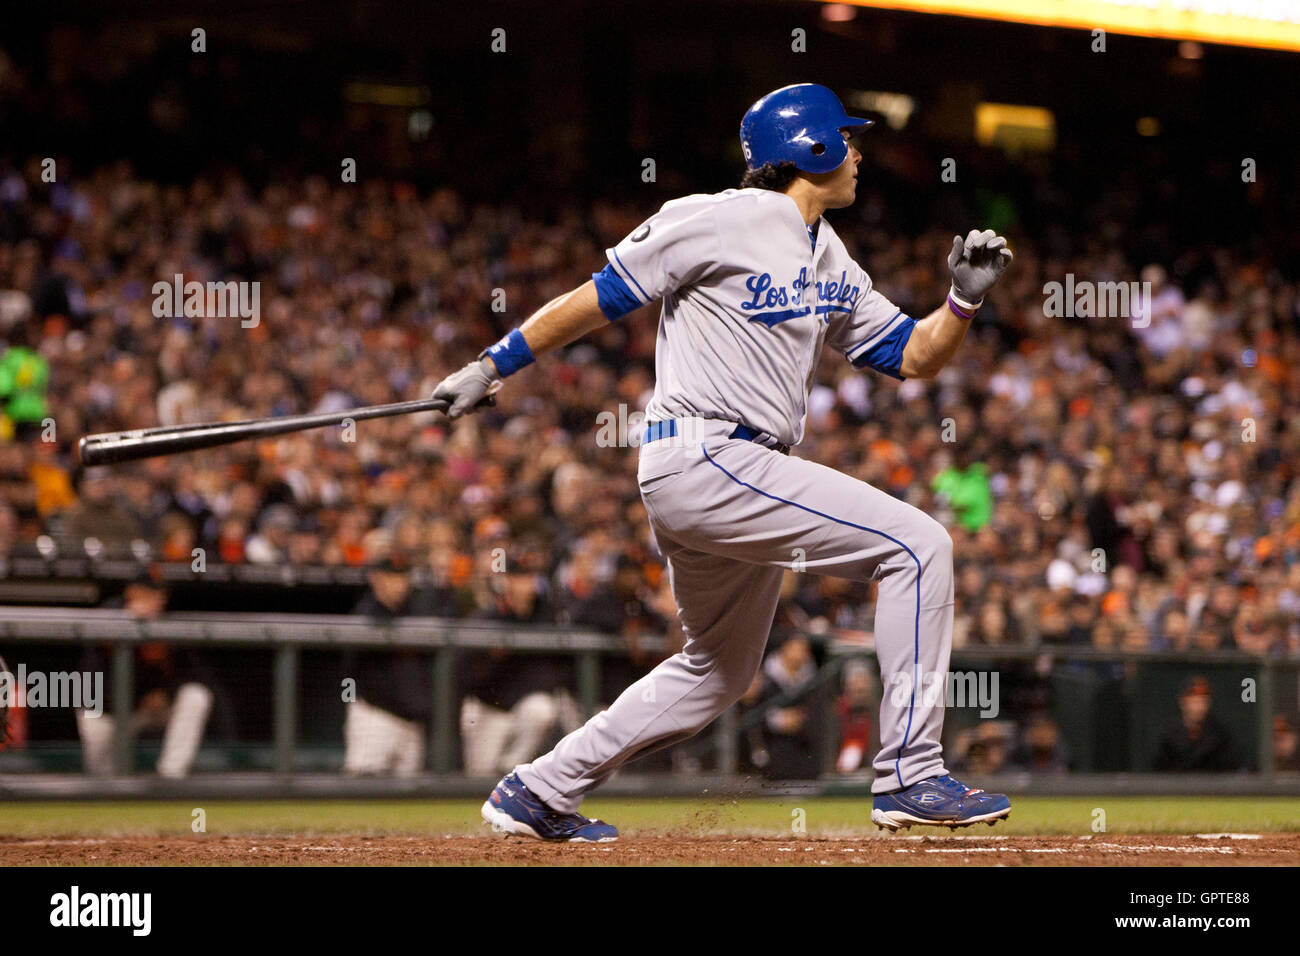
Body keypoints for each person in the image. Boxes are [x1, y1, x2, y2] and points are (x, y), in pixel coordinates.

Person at [434, 83, 1014, 841]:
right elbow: (600, 296)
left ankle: (539, 791)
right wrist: (493, 364)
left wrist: (961, 305)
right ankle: (909, 773)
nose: (860, 151)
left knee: (717, 670)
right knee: (920, 545)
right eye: (848, 136)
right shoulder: (719, 217)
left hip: (731, 473)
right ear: (811, 148)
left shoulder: (828, 252)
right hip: (707, 453)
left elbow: (914, 354)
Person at [78, 574, 214, 778]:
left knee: (195, 696)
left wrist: (167, 694)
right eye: (148, 595)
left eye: (160, 595)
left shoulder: (169, 624)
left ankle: (171, 776)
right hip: (106, 711)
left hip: (144, 710)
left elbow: (197, 675)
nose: (157, 600)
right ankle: (105, 789)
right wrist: (125, 621)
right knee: (103, 778)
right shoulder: (106, 619)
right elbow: (89, 683)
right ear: (131, 594)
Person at [341, 554, 431, 777]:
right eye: (392, 577)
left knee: (410, 800)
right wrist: (354, 705)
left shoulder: (414, 614)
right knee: (362, 791)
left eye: (403, 577)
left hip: (411, 722)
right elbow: (348, 672)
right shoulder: (365, 615)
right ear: (376, 579)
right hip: (375, 718)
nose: (400, 584)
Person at [1153, 676, 1239, 773]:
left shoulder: (1220, 733)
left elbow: (1229, 769)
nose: (1199, 707)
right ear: (1183, 703)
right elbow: (1160, 770)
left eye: (1203, 701)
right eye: (1194, 701)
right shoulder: (1169, 734)